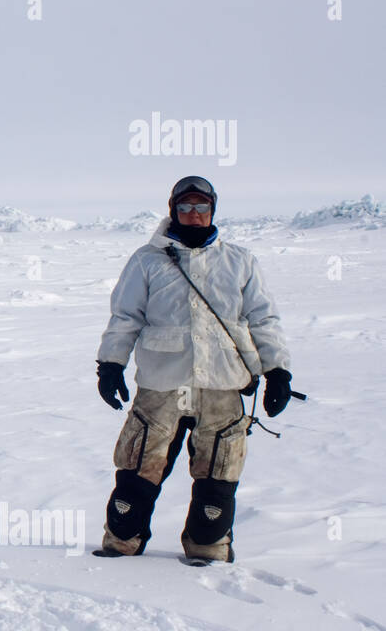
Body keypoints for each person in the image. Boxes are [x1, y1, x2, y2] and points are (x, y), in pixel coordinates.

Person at [93, 175, 294, 562]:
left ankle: (207, 550)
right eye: (185, 207)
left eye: (202, 207)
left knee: (218, 473)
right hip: (162, 384)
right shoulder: (146, 260)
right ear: (173, 211)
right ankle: (121, 544)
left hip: (222, 384)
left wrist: (278, 372)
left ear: (212, 211)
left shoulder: (239, 261)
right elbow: (125, 317)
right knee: (138, 467)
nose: (194, 214)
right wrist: (111, 364)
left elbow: (264, 320)